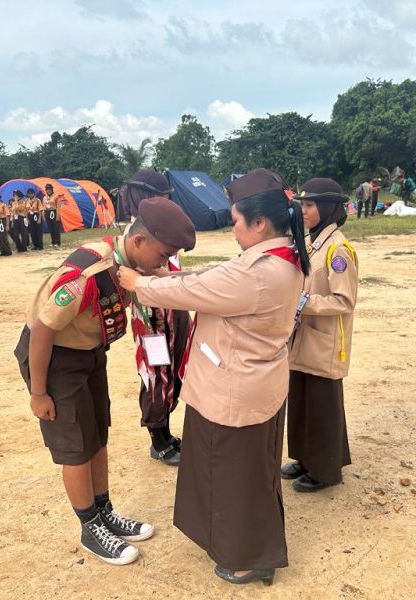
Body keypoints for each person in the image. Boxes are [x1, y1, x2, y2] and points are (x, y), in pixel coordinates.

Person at [118, 168, 309, 586]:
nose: (233, 229)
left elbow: (196, 292)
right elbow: (209, 280)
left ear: (260, 223)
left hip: (235, 391)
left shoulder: (258, 273)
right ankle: (242, 547)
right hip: (251, 385)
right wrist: (166, 276)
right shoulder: (282, 258)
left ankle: (248, 558)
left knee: (235, 478)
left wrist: (138, 282)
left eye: (236, 221)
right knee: (244, 473)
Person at [13, 197, 196, 566]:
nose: (165, 262)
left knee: (97, 436)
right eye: (163, 254)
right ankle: (89, 526)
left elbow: (168, 281)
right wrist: (39, 392)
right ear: (139, 241)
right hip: (57, 360)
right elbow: (43, 331)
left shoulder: (132, 261)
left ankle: (104, 511)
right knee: (76, 447)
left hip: (90, 354)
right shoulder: (89, 273)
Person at [282, 178, 358, 492]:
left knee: (322, 407)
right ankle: (305, 457)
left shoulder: (338, 250)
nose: (303, 210)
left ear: (327, 208)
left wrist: (303, 302)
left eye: (310, 205)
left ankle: (325, 470)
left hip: (324, 341)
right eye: (302, 204)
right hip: (303, 338)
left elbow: (344, 301)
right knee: (301, 402)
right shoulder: (313, 241)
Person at [119, 169, 191, 466]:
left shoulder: (165, 225)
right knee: (156, 375)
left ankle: (166, 432)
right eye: (160, 196)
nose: (165, 201)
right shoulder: (137, 234)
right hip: (152, 319)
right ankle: (157, 439)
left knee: (173, 371)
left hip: (173, 309)